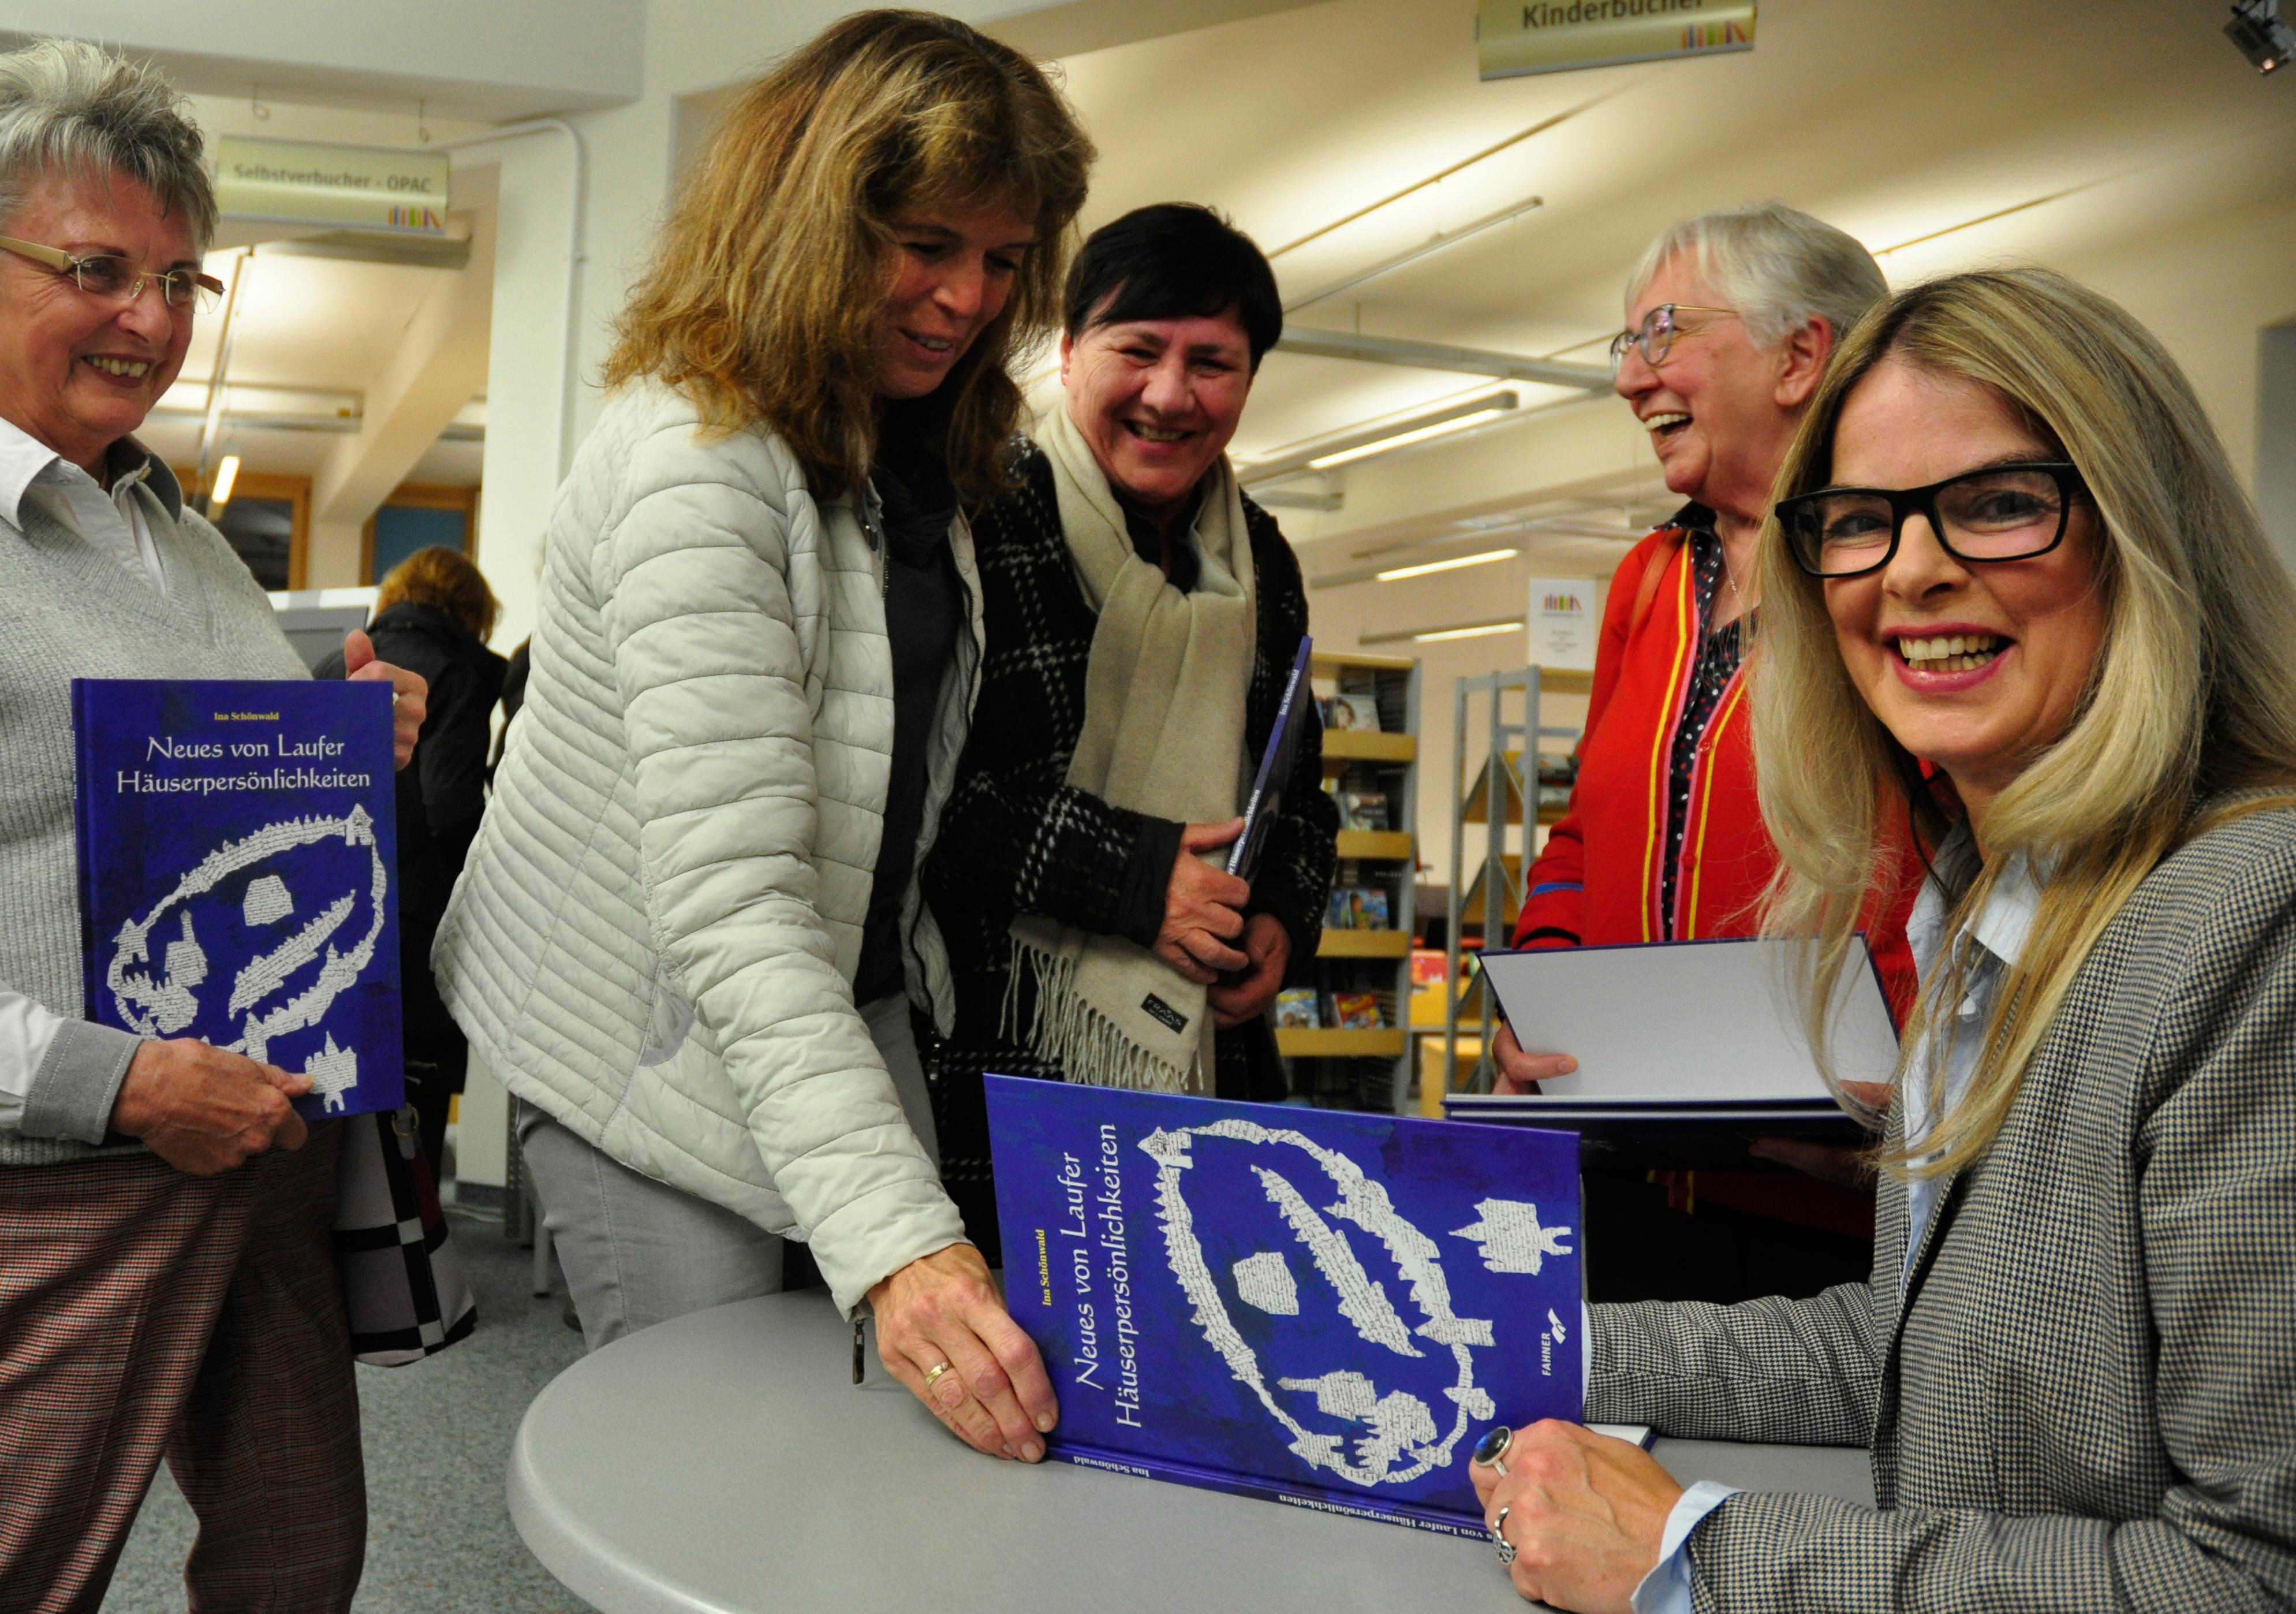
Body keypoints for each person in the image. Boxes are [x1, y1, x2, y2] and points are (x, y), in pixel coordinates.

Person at [1469, 266, 2296, 1613]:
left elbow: (2255, 1575)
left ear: (2148, 536)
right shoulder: (1994, 904)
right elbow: (1912, 1348)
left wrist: (1703, 1555)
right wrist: (1528, 1338)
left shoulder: (2254, 926)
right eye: (1859, 522)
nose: (1913, 569)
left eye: (2001, 503)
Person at [431, 10, 1093, 1463]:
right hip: (640, 1040)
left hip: (825, 1004)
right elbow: (730, 905)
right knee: (710, 1466)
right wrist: (900, 1245)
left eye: (1000, 259)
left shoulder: (900, 450)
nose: (966, 297)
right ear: (812, 217)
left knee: (865, 1456)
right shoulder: (700, 466)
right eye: (927, 245)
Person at [0, 40, 425, 1609]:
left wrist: (345, 740)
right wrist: (119, 1084)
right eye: (98, 268)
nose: (151, 319)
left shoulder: (180, 536)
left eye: (184, 281)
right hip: (61, 1176)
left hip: (268, 1153)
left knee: (299, 1557)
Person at [1492, 202, 1917, 1304]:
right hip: (1617, 1177)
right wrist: (1533, 1001)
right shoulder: (1646, 580)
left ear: (1799, 354)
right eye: (1625, 345)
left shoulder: (1897, 574)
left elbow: (1970, 868)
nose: (1633, 379)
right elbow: (1579, 836)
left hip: (1831, 1203)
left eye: (1661, 333)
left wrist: (1924, 1095)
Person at [921, 204, 1339, 1255]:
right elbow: (927, 799)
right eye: (1137, 350)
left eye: (1213, 363)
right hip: (995, 1052)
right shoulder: (976, 514)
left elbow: (1300, 792)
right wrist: (1138, 880)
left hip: (1209, 1057)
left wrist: (1283, 918)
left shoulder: (1262, 562)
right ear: (1067, 356)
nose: (1169, 395)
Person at [316, 545, 507, 1175]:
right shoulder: (460, 671)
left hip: (335, 913)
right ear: (472, 613)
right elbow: (450, 806)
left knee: (333, 1128)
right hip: (419, 926)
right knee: (410, 1144)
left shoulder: (336, 665)